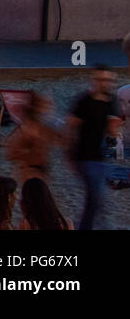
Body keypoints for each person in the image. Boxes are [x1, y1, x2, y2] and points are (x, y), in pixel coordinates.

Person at [66, 65, 123, 230]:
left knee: (97, 200)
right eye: (101, 79)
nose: (104, 83)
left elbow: (112, 131)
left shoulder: (111, 100)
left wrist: (115, 130)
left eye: (108, 80)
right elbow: (70, 127)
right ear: (94, 80)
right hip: (85, 156)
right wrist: (69, 154)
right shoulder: (84, 101)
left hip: (102, 156)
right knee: (95, 197)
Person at [7, 92, 64, 183]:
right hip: (31, 169)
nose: (47, 108)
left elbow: (60, 140)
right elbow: (12, 153)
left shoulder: (43, 126)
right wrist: (31, 155)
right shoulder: (29, 129)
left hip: (41, 167)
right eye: (44, 105)